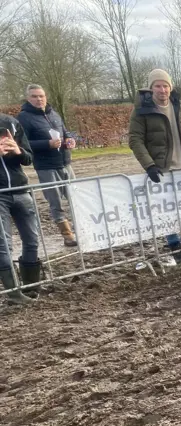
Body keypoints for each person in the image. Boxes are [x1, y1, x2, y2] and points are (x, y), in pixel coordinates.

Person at [128, 69, 181, 264]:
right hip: (163, 170)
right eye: (157, 86)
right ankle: (176, 248)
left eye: (165, 85)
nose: (162, 90)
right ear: (150, 89)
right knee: (167, 211)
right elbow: (135, 140)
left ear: (171, 87)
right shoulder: (141, 110)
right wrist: (149, 165)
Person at [17, 84, 78, 247]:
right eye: (34, 97)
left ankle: (82, 229)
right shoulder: (23, 118)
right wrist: (47, 144)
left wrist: (70, 140)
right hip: (46, 167)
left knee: (77, 198)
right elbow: (23, 144)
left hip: (65, 163)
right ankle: (67, 235)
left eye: (41, 96)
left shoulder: (54, 113)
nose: (39, 99)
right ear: (28, 99)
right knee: (55, 202)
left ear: (46, 97)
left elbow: (66, 132)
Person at [0, 113, 39, 304]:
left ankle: (31, 286)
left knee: (32, 239)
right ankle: (14, 294)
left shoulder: (11, 123)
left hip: (21, 190)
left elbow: (29, 158)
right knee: (3, 246)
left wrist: (18, 151)